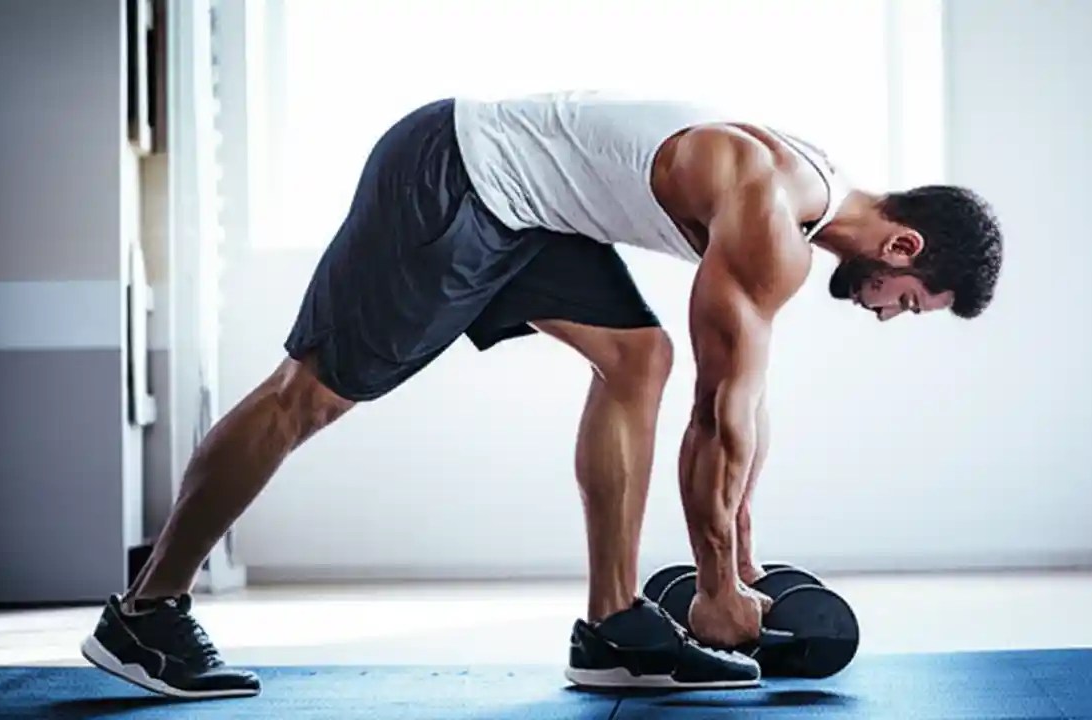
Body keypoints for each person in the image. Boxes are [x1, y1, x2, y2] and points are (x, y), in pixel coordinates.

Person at [80, 92, 1003, 697]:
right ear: (904, 248)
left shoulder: (806, 193)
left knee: (637, 359)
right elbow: (719, 414)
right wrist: (716, 587)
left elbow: (744, 409)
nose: (892, 314)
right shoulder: (772, 215)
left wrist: (743, 567)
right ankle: (147, 615)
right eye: (911, 302)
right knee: (307, 396)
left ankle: (612, 627)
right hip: (458, 176)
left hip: (527, 213)